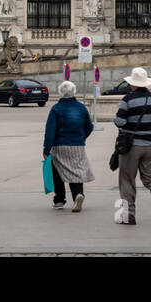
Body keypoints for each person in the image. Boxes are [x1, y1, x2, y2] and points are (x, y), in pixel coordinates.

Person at [113, 67, 151, 226]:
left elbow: (119, 121)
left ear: (132, 84)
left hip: (132, 146)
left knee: (127, 179)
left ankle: (128, 215)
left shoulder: (127, 99)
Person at [43, 80, 95, 212]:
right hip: (77, 145)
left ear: (60, 92)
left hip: (59, 145)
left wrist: (46, 149)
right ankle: (78, 194)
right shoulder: (81, 107)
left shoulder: (56, 109)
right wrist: (81, 138)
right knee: (76, 171)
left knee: (57, 170)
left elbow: (50, 131)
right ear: (74, 92)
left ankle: (59, 200)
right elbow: (89, 127)